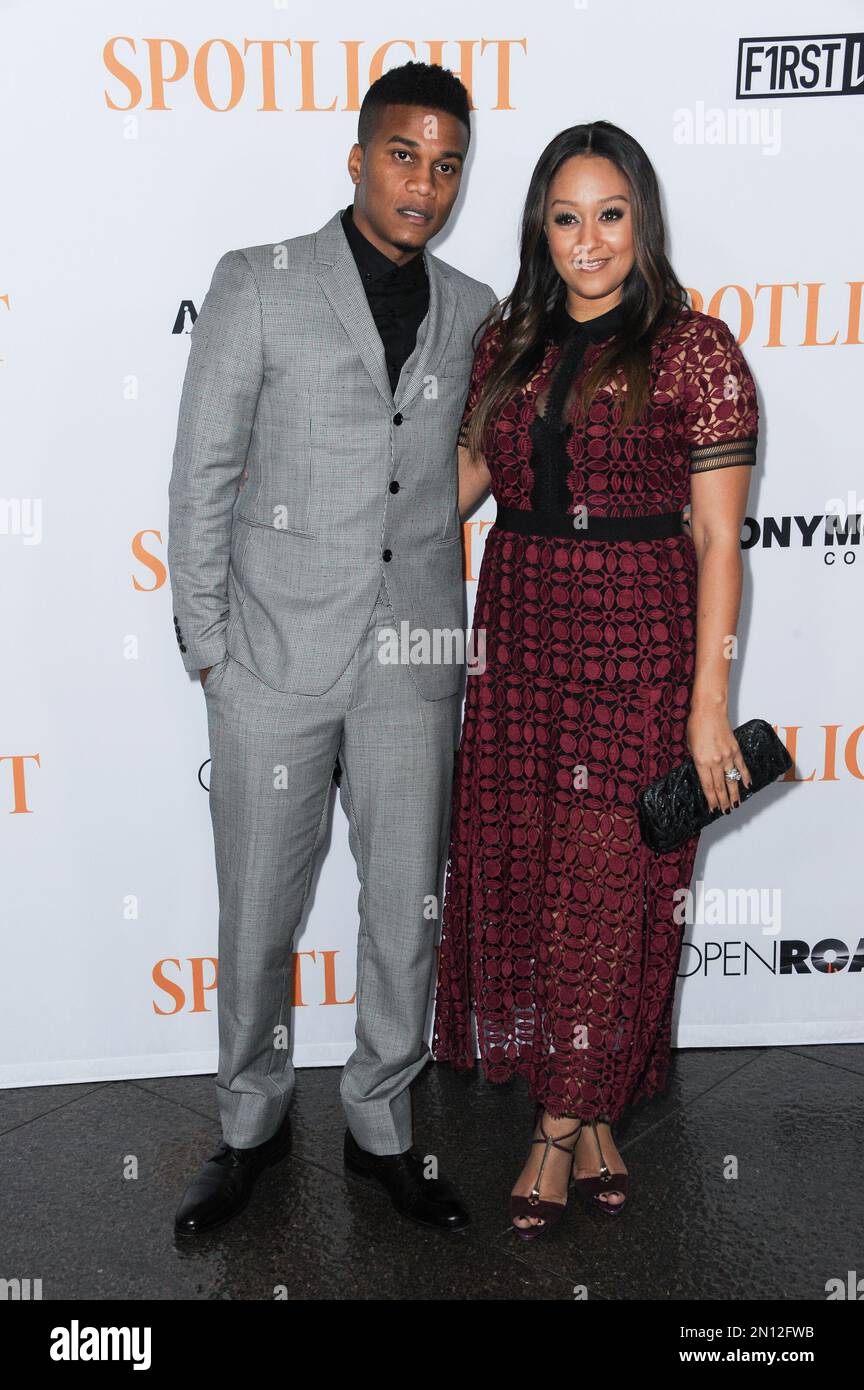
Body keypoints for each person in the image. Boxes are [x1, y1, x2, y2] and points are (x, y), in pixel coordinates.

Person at [167, 61, 497, 1236]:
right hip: (270, 658)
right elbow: (204, 466)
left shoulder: (474, 307)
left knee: (404, 910)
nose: (425, 183)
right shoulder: (259, 284)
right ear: (357, 158)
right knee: (257, 916)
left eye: (447, 163)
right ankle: (249, 1121)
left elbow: (469, 460)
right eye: (404, 155)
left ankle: (381, 1126)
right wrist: (208, 643)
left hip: (411, 661)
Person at [431, 121, 759, 1238]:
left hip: (640, 644)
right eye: (565, 218)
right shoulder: (507, 344)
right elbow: (462, 485)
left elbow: (720, 543)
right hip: (520, 637)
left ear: (642, 222)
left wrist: (707, 701)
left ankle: (558, 1131)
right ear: (541, 228)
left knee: (608, 885)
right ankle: (598, 1110)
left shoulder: (695, 351)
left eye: (609, 215)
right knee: (536, 876)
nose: (588, 240)